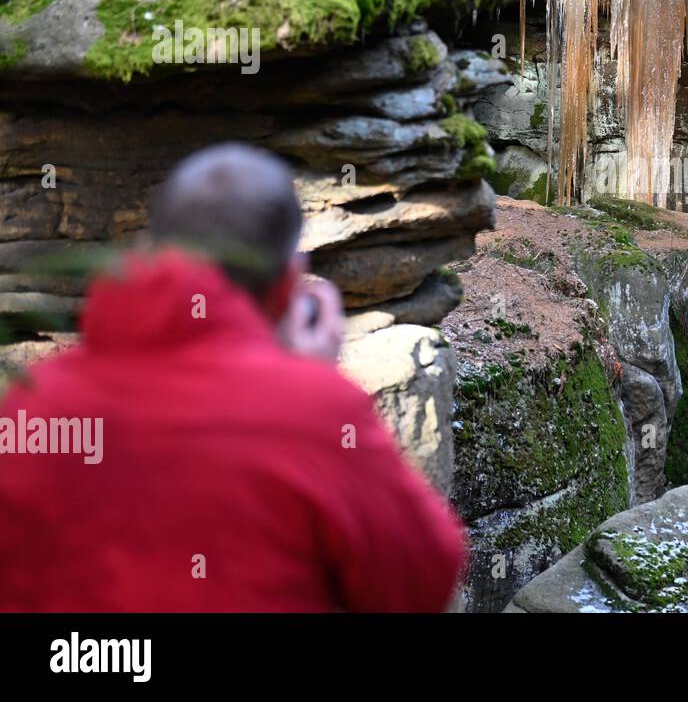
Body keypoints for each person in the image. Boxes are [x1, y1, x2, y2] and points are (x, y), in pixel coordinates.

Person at [0, 143, 467, 611]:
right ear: (289, 283)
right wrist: (311, 379)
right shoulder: (315, 414)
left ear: (148, 251)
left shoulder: (31, 403)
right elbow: (422, 580)